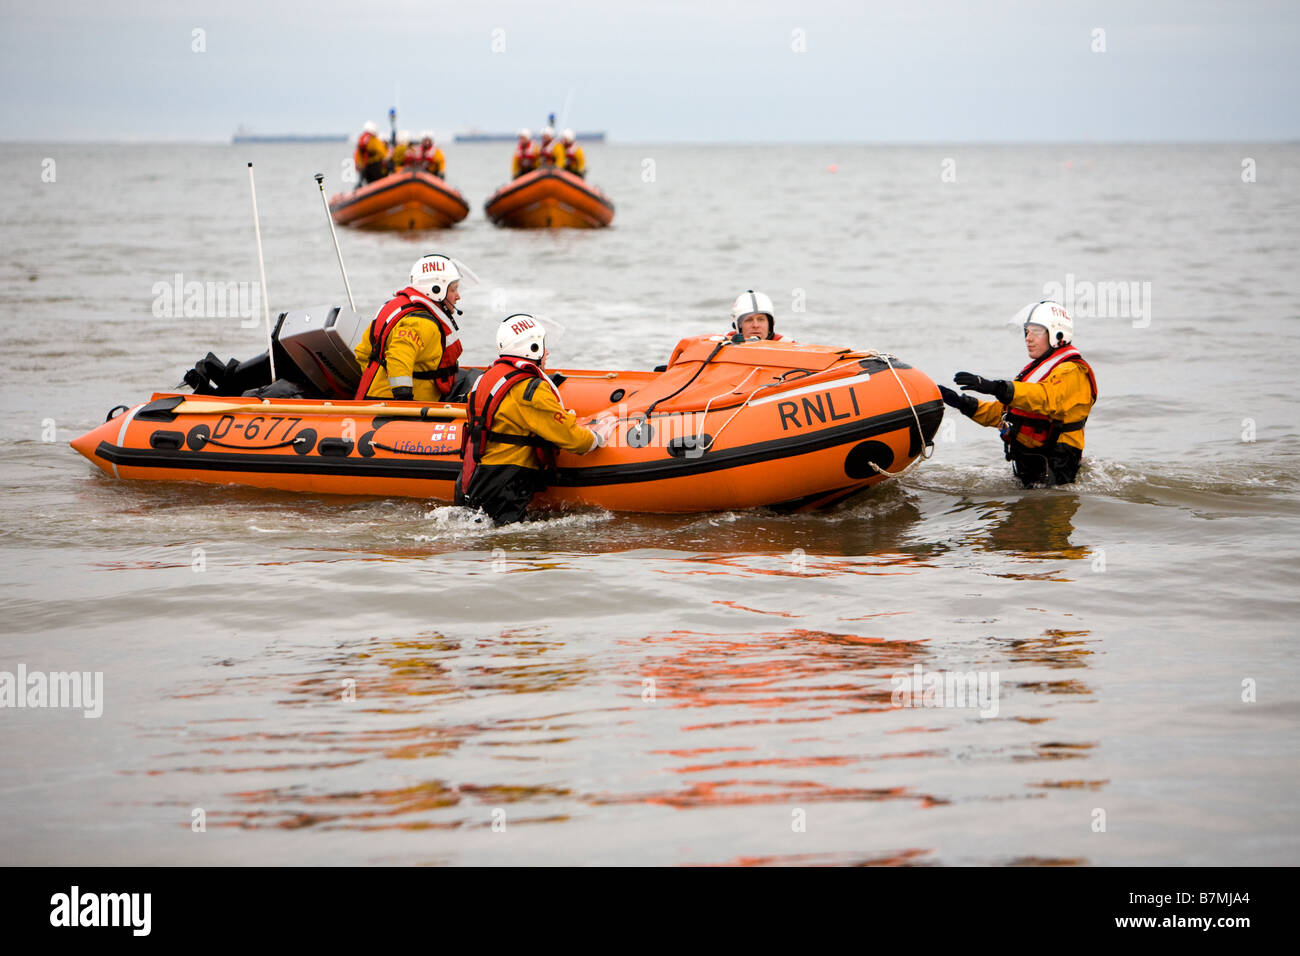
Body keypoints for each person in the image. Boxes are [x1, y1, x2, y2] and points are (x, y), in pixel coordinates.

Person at [456, 314, 612, 525]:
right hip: (506, 482)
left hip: (476, 476)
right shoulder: (531, 390)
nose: (547, 352)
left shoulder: (485, 379)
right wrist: (597, 437)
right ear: (532, 348)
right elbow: (572, 439)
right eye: (542, 345)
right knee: (508, 544)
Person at [940, 300, 1098, 487]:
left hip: (1058, 465)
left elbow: (1043, 397)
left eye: (1036, 332)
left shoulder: (1072, 371)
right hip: (1034, 466)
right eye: (1027, 331)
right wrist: (962, 403)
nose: (1028, 338)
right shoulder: (1042, 370)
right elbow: (1006, 412)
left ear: (1058, 334)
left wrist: (996, 387)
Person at [353, 254, 471, 403]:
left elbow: (362, 353)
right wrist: (405, 400)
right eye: (453, 289)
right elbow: (398, 358)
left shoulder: (399, 308)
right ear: (436, 290)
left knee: (470, 378)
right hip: (396, 406)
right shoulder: (421, 323)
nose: (458, 296)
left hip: (376, 397)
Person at [353, 120, 389, 185]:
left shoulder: (362, 139)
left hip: (365, 167)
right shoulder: (374, 140)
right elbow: (383, 153)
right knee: (377, 183)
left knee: (368, 183)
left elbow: (357, 154)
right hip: (375, 167)